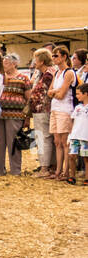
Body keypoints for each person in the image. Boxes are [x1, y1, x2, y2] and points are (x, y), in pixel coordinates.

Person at [0, 54, 29, 176]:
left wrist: (27, 116)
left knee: (14, 143)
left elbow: (28, 98)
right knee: (0, 143)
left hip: (16, 114)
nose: (4, 64)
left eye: (7, 62)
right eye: (3, 62)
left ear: (14, 64)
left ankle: (15, 170)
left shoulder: (23, 78)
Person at [27, 49, 55, 177]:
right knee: (46, 138)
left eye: (36, 59)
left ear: (42, 61)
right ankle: (50, 166)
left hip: (43, 110)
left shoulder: (48, 75)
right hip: (43, 110)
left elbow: (46, 93)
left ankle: (45, 168)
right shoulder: (44, 73)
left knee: (42, 139)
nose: (34, 62)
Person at [49, 46, 75, 181]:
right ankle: (58, 171)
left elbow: (61, 94)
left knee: (65, 142)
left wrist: (54, 91)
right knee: (57, 141)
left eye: (56, 56)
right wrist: (55, 91)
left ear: (64, 57)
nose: (54, 58)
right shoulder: (56, 73)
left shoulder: (68, 73)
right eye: (53, 56)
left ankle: (66, 171)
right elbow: (51, 92)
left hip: (64, 109)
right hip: (55, 109)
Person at [68, 84, 88, 184]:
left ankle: (87, 178)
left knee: (86, 157)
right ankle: (72, 177)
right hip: (75, 136)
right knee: (72, 156)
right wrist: (70, 134)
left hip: (85, 136)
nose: (76, 96)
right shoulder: (78, 108)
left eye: (78, 94)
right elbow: (72, 121)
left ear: (86, 94)